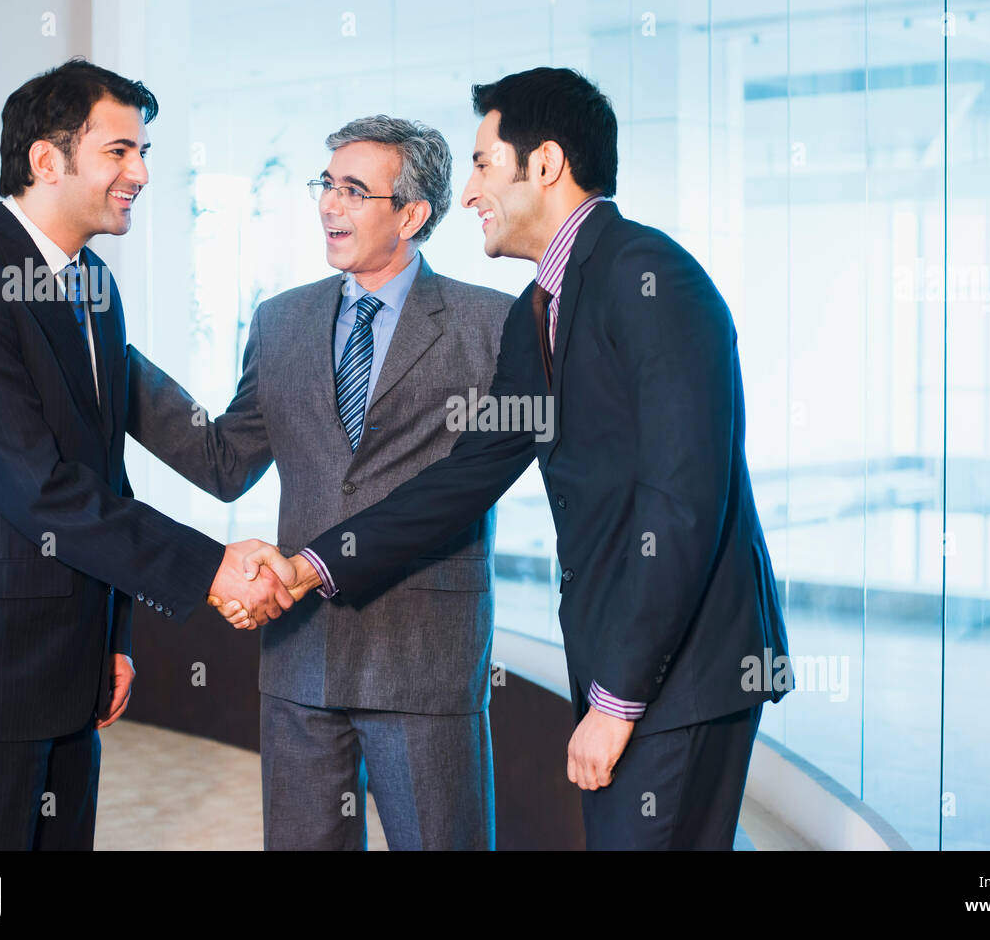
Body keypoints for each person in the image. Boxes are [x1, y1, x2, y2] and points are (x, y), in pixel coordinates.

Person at [230, 67, 795, 850]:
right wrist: (310, 567)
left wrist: (620, 699)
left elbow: (684, 504)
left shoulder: (650, 277)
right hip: (632, 666)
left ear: (547, 164)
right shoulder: (545, 305)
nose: (468, 194)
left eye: (483, 164)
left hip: (685, 672)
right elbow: (465, 477)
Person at [0, 58, 288, 850]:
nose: (142, 172)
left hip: (68, 678)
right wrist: (211, 568)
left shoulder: (93, 286)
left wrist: (114, 637)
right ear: (46, 159)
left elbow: (106, 474)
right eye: (120, 151)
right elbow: (42, 491)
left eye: (144, 151)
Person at [127, 116, 513, 849]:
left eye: (355, 191)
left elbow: (480, 477)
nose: (330, 205)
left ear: (411, 214)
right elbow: (225, 460)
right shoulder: (281, 322)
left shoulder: (487, 324)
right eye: (327, 185)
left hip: (423, 658)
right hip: (301, 656)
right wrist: (112, 363)